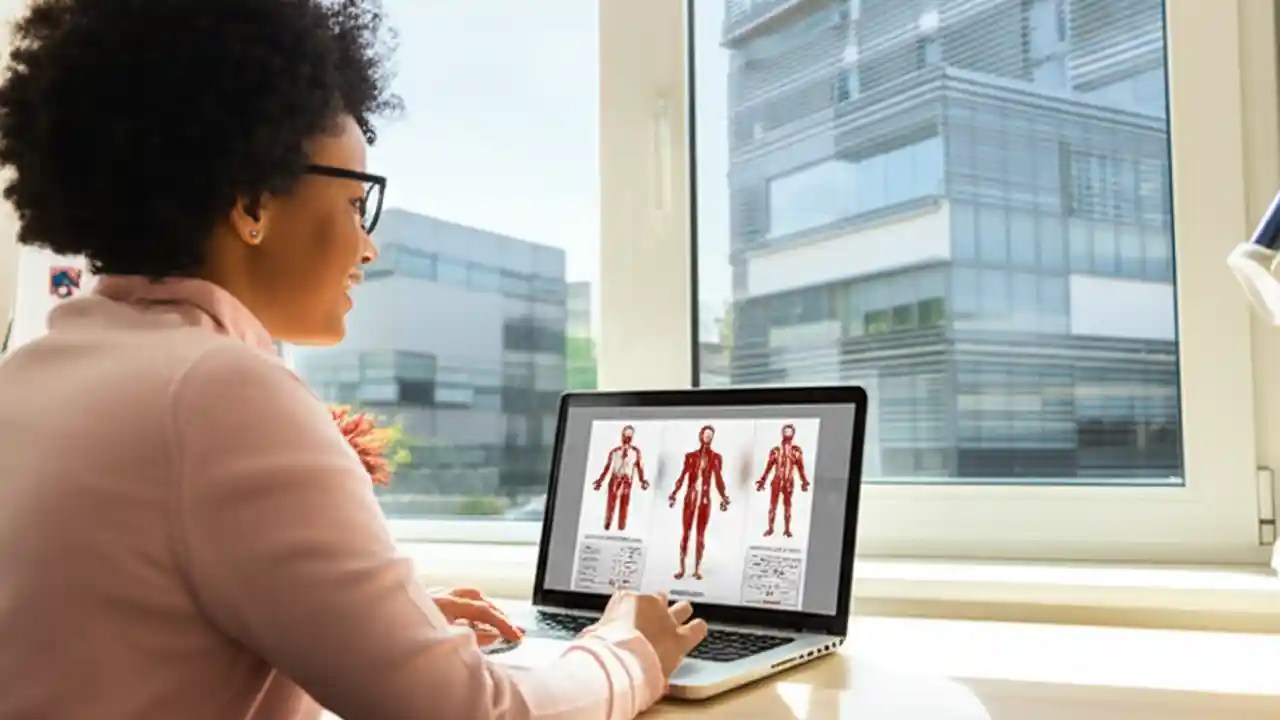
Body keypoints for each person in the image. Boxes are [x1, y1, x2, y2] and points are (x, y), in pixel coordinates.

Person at [0, 1, 705, 719]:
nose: (368, 246)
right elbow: (473, 714)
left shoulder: (33, 376)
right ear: (252, 204)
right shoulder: (219, 392)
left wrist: (357, 628)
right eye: (354, 202)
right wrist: (627, 649)